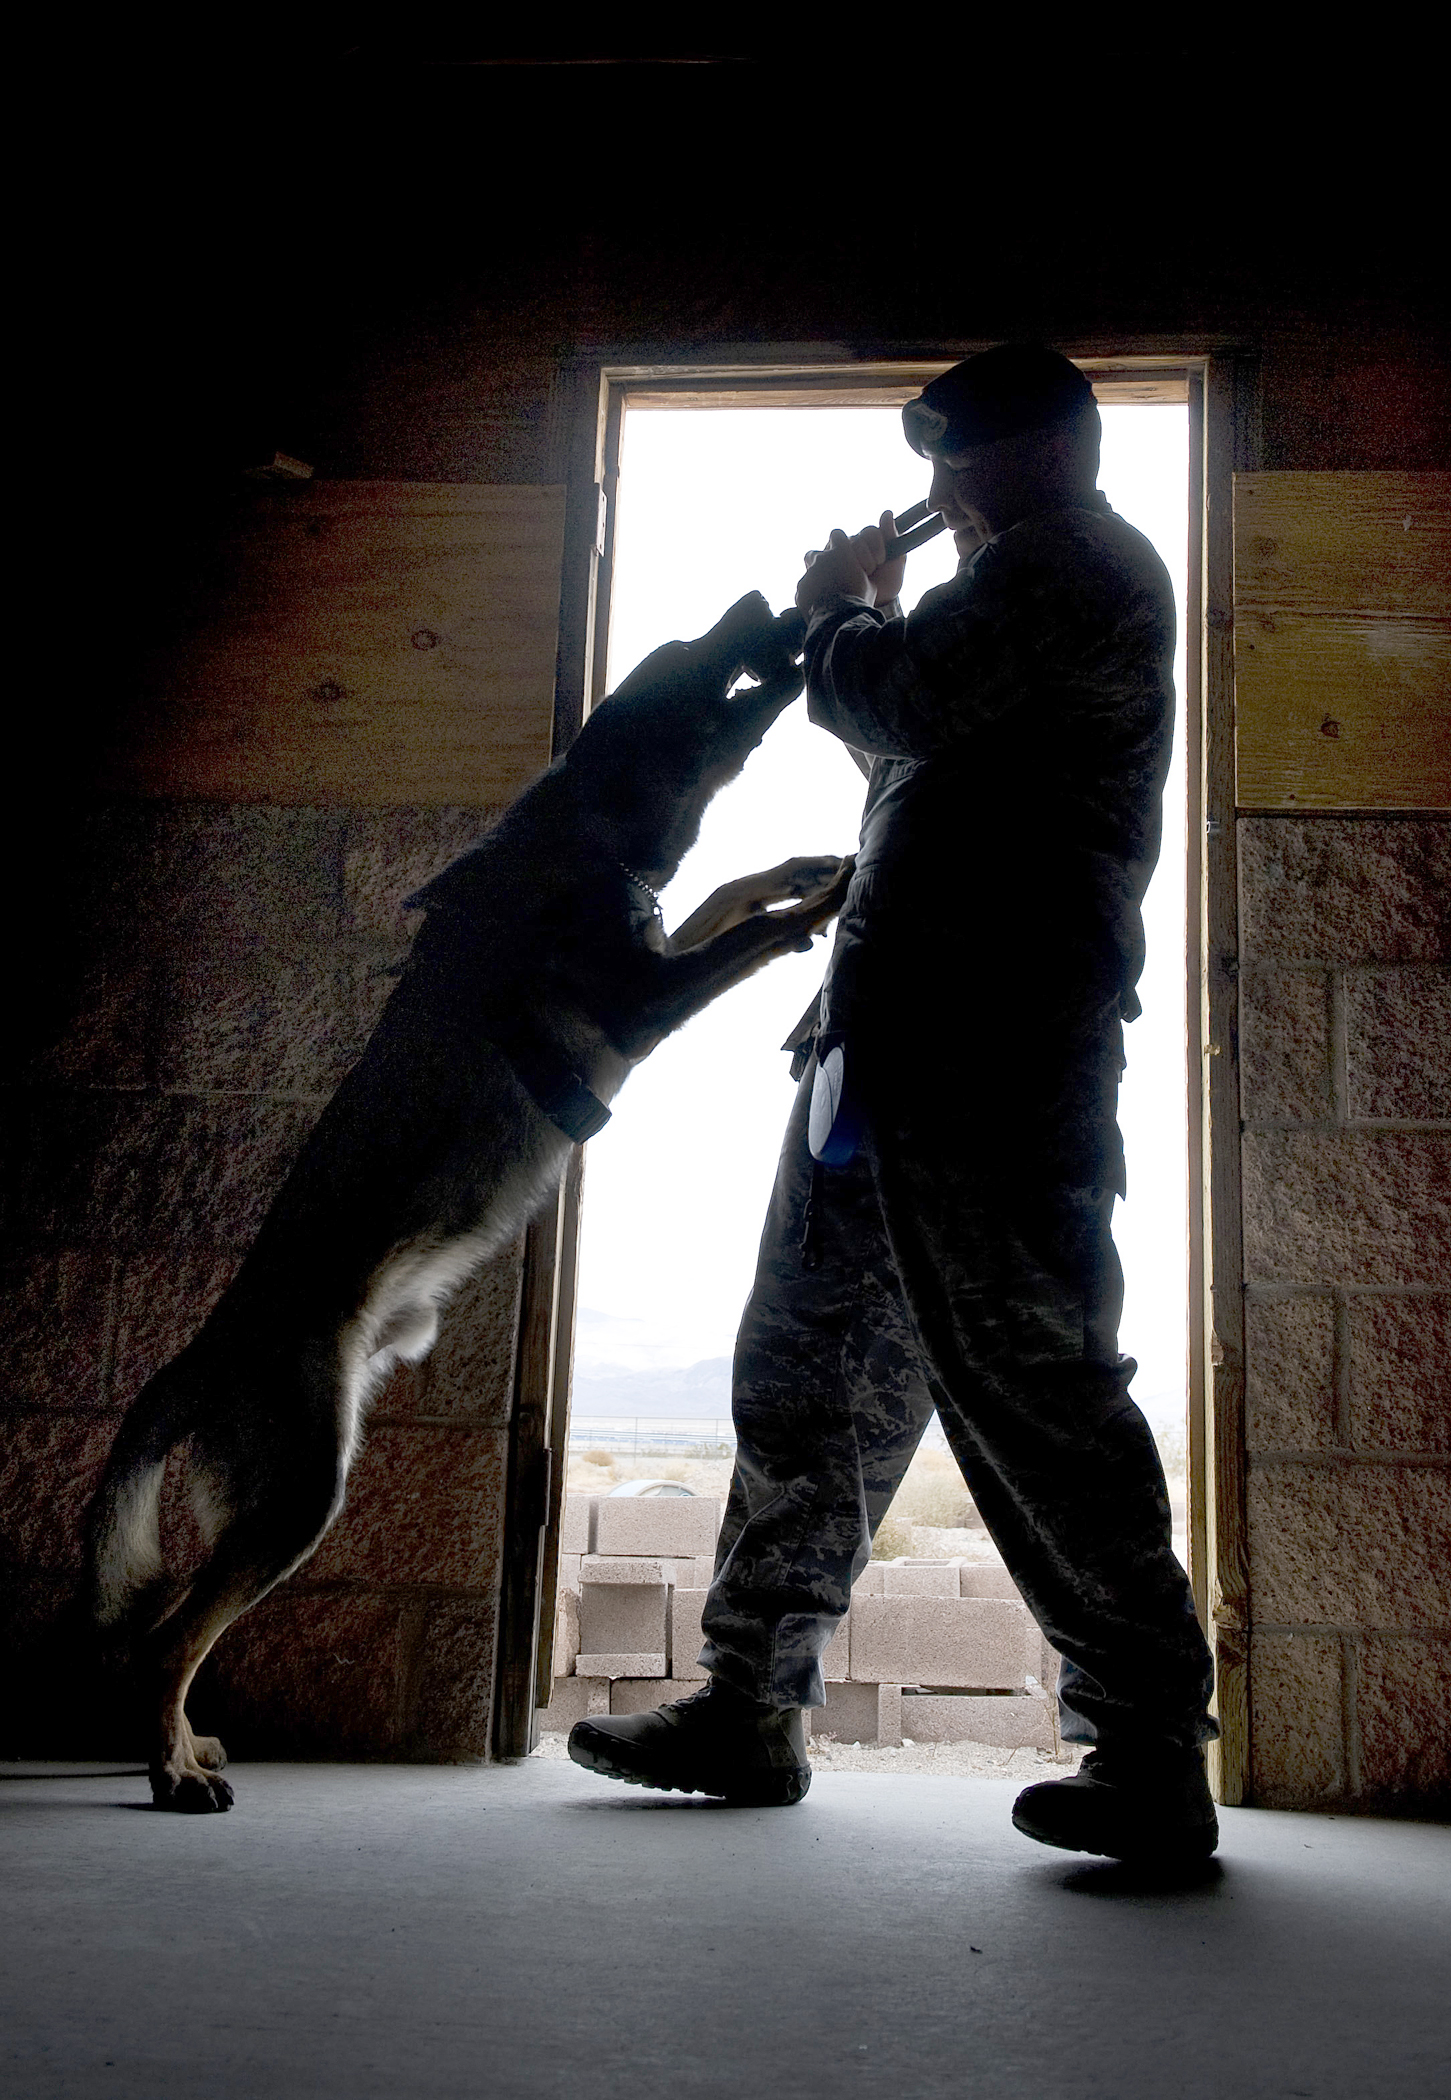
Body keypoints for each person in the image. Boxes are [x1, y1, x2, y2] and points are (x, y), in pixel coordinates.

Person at [568, 344, 1219, 1863]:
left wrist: (843, 608)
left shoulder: (1080, 571)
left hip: (1000, 1067)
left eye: (965, 457)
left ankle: (1144, 1747)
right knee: (803, 1366)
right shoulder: (1011, 577)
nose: (944, 486)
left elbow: (898, 695)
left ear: (1049, 452)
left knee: (1032, 1380)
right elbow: (907, 746)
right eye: (939, 458)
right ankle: (748, 1704)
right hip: (880, 1050)